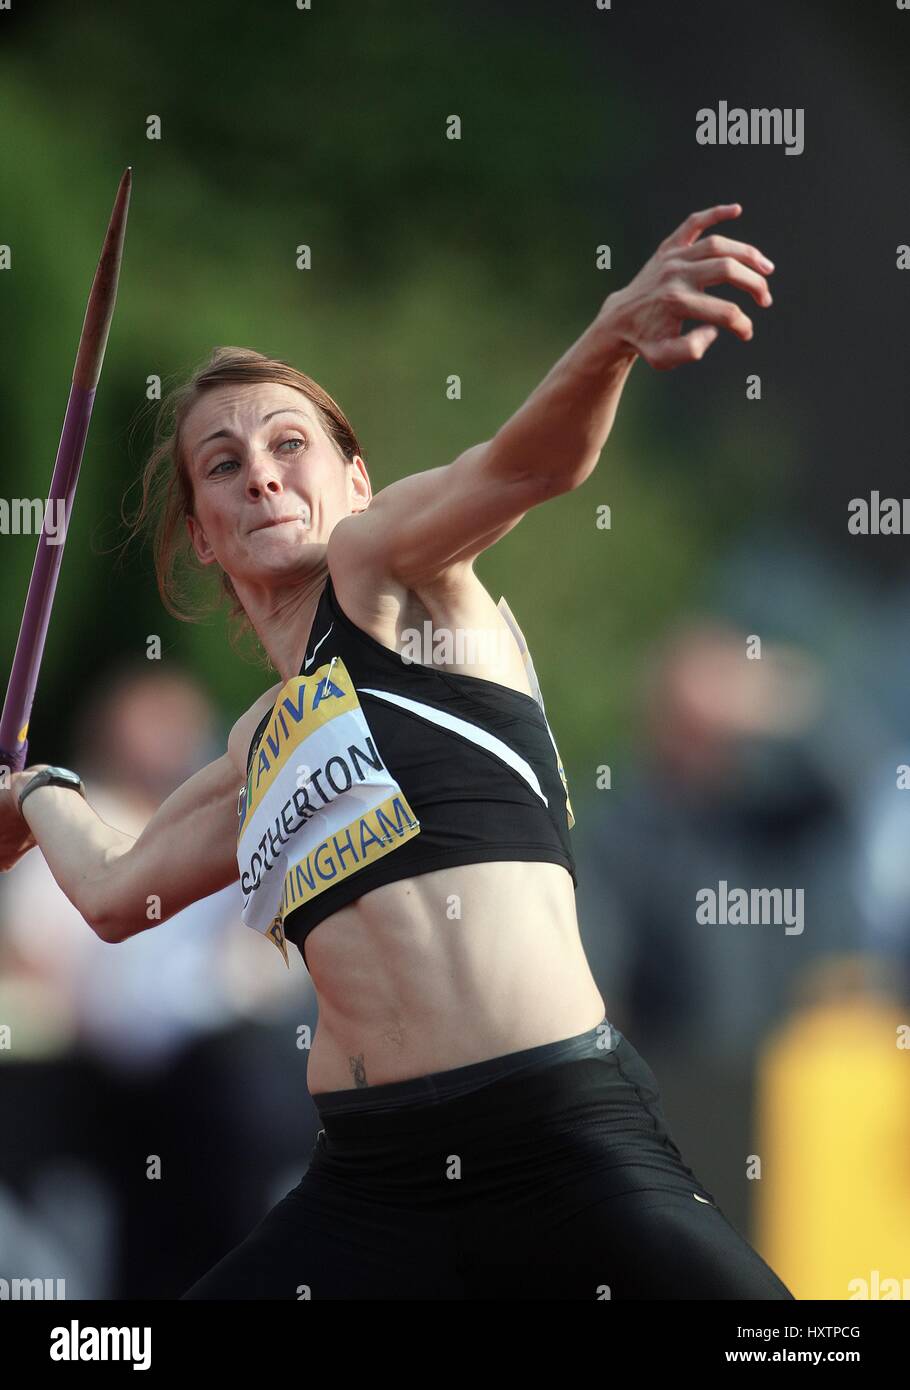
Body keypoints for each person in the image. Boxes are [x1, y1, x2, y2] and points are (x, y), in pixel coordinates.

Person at [0, 202, 794, 1299]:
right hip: (374, 1183)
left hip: (552, 1133)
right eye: (223, 465)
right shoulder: (260, 740)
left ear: (357, 482)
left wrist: (614, 329)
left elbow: (528, 465)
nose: (263, 476)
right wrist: (36, 790)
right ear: (200, 534)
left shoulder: (387, 576)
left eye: (291, 446)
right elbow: (114, 892)